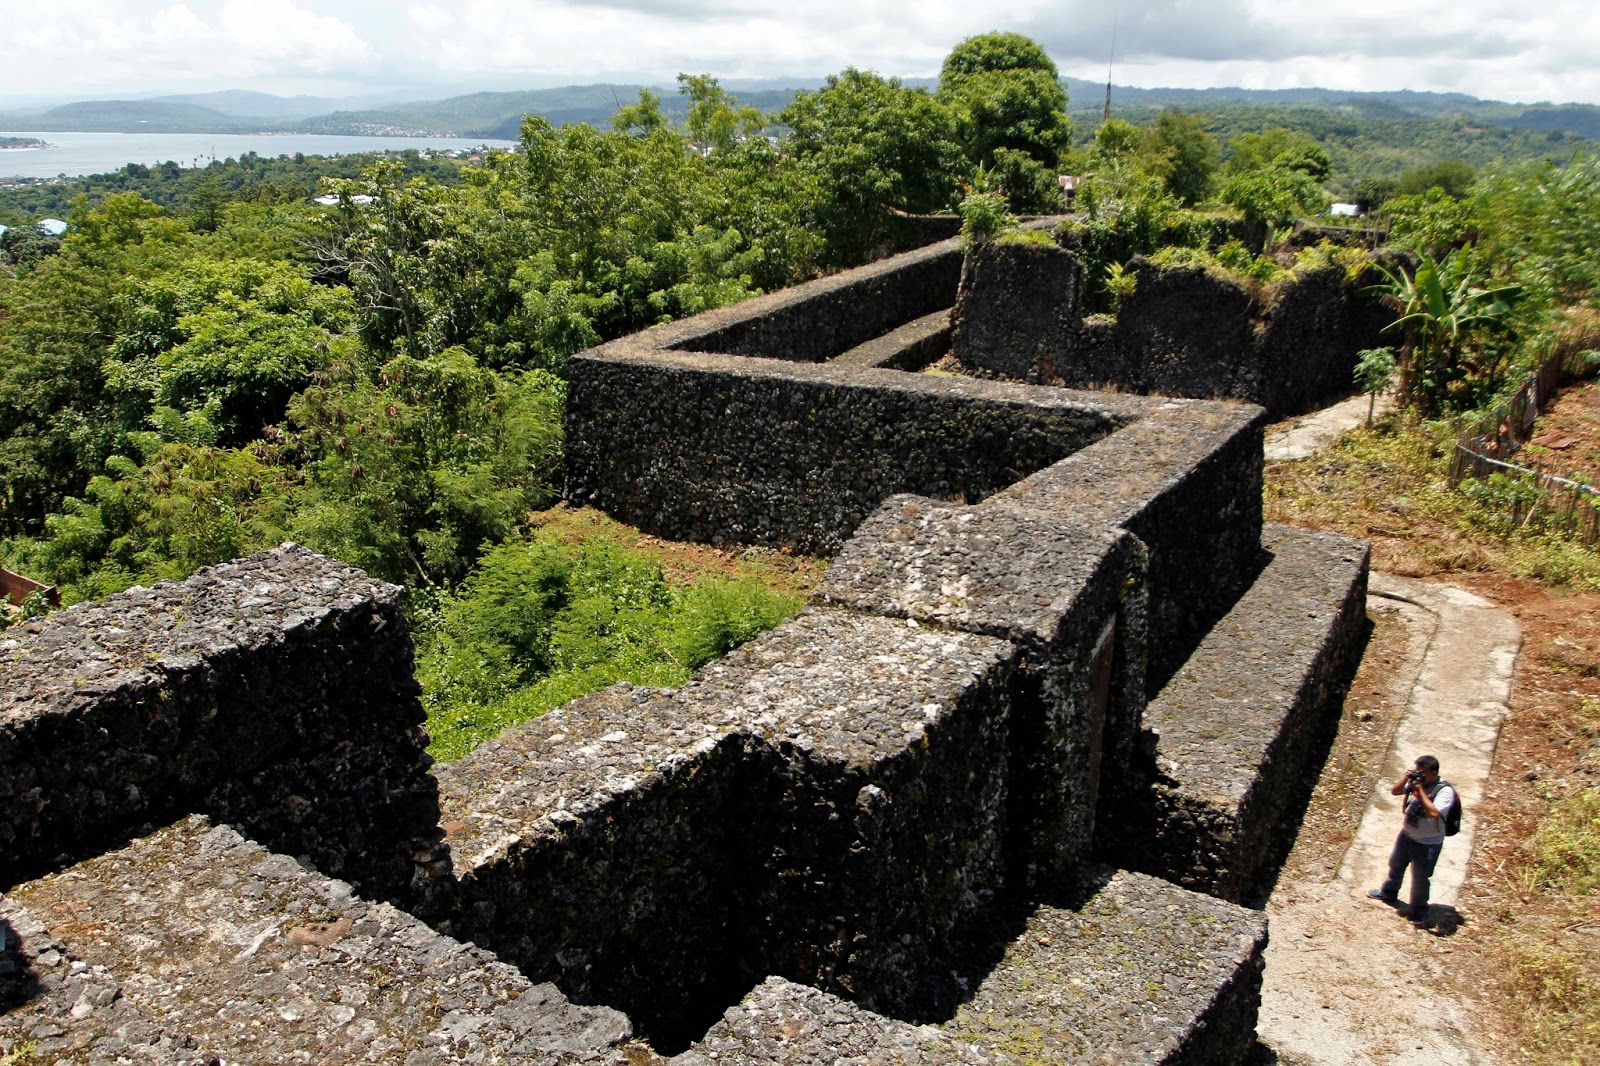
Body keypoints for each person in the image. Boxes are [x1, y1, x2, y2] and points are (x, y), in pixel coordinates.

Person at [1368, 755, 1457, 927]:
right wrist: (1407, 779)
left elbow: (1434, 812)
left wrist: (1420, 790)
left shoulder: (1444, 791)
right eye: (1417, 771)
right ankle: (1389, 892)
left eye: (1422, 773)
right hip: (1407, 836)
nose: (1419, 775)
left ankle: (1419, 910)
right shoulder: (1417, 782)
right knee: (1395, 865)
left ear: (1433, 772)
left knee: (1420, 878)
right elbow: (1395, 791)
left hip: (1427, 844)